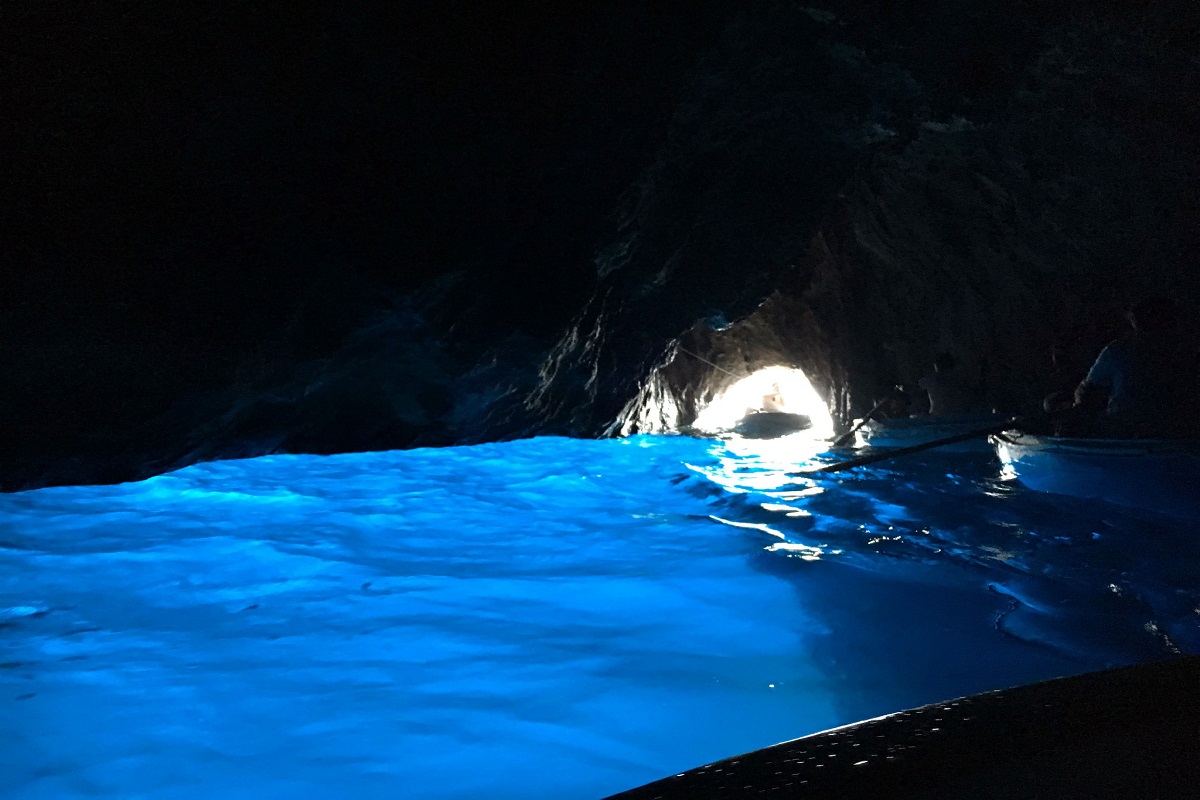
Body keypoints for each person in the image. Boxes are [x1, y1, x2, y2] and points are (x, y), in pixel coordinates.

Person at [1072, 296, 1197, 436]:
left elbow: (1087, 392)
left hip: (1124, 434)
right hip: (1181, 435)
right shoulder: (1188, 350)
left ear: (1134, 320)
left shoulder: (1120, 349)